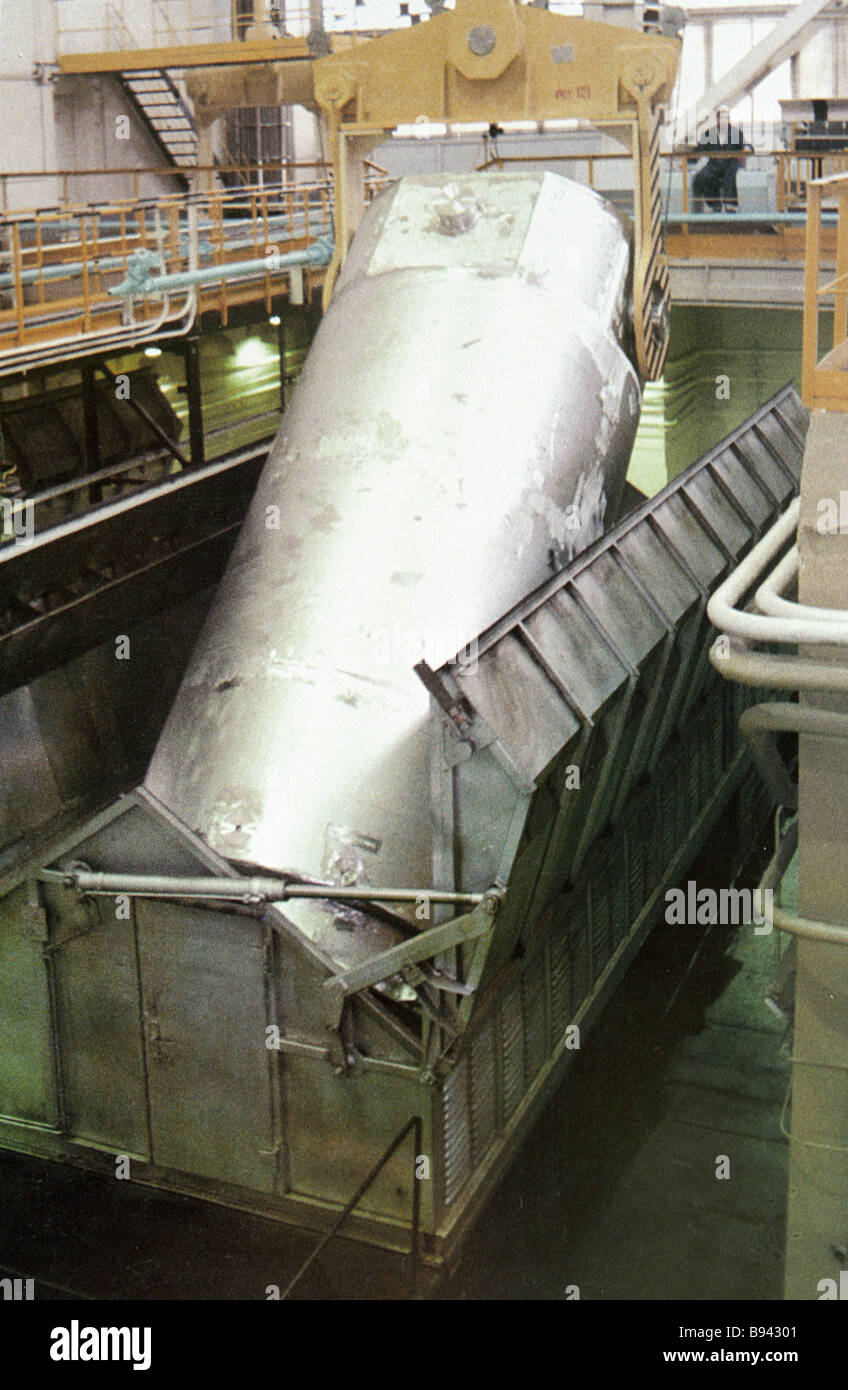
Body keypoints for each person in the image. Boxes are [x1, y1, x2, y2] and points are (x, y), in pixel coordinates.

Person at [692, 108, 752, 212]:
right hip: (714, 165)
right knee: (701, 177)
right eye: (722, 118)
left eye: (726, 118)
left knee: (731, 176)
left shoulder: (736, 133)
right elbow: (698, 150)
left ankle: (730, 205)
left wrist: (747, 148)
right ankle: (715, 204)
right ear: (717, 119)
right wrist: (686, 160)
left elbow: (745, 144)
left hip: (730, 164)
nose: (724, 121)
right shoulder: (708, 134)